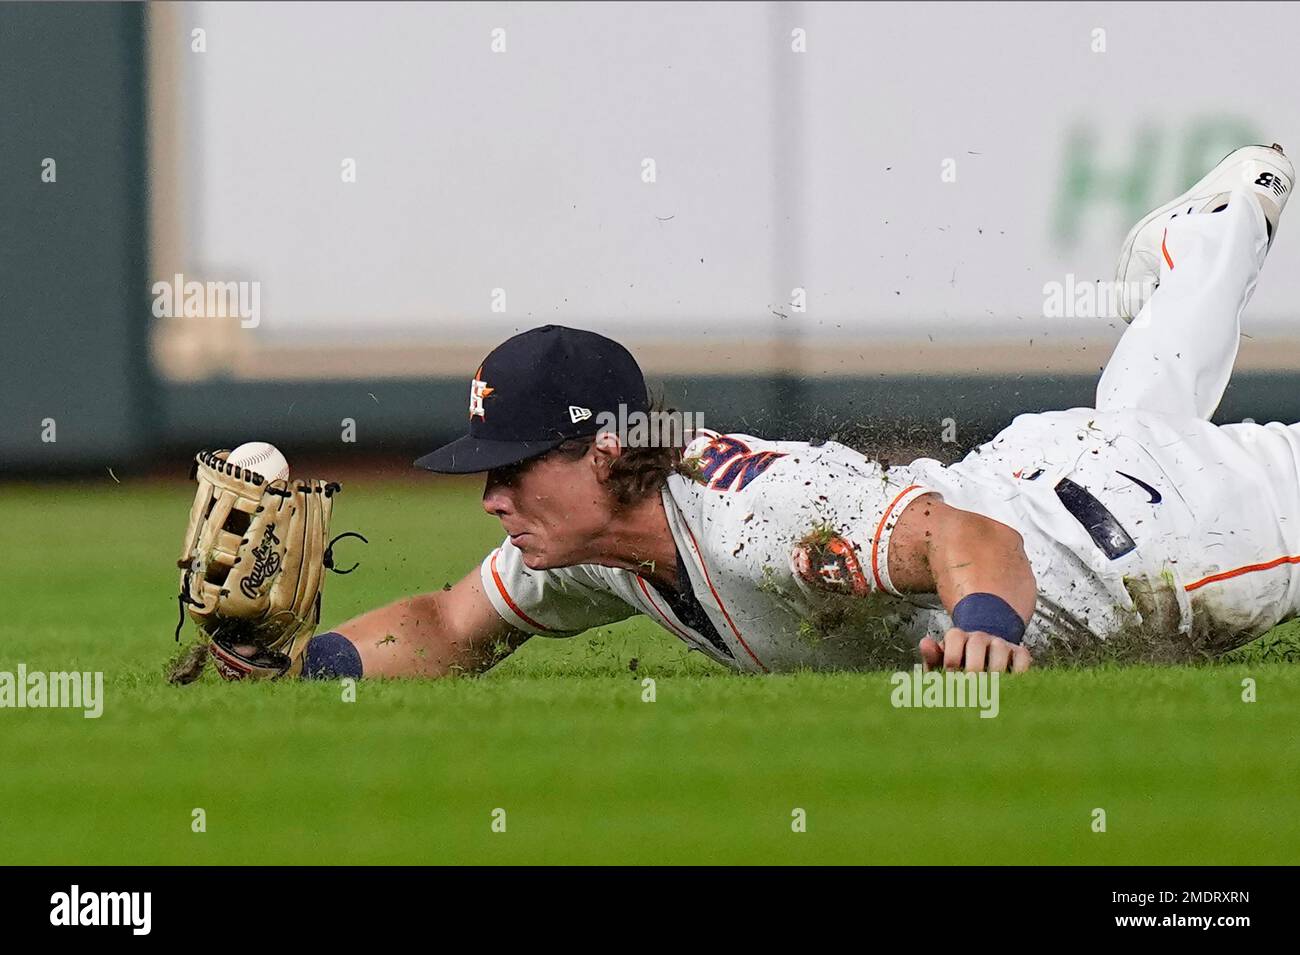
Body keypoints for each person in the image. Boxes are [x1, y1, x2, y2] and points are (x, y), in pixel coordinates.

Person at [290, 144, 1295, 680]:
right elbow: (447, 623)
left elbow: (969, 537)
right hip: (1044, 465)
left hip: (1148, 542)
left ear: (602, 454)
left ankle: (1213, 242)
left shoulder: (762, 513)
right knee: (1131, 420)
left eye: (512, 468)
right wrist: (296, 669)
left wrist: (985, 630)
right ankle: (1216, 238)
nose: (492, 498)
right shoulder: (589, 548)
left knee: (1154, 445)